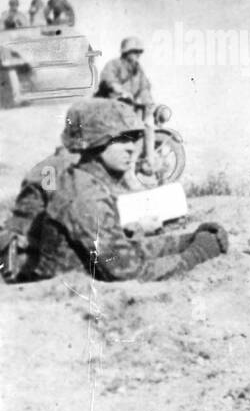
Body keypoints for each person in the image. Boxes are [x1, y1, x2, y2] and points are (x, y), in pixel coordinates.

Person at [22, 99, 227, 282]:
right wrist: (198, 253)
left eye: (132, 138)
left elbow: (126, 251)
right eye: (121, 139)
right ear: (96, 142)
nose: (131, 147)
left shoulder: (85, 182)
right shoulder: (86, 197)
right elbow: (128, 271)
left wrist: (188, 240)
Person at [0, 147, 77, 280]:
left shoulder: (52, 164)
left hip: (25, 237)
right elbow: (54, 202)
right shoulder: (55, 167)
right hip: (27, 246)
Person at [96, 36, 155, 108]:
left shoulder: (138, 69)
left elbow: (144, 87)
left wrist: (149, 102)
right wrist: (123, 92)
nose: (139, 54)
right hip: (110, 106)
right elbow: (109, 81)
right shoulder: (114, 64)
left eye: (140, 52)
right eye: (135, 52)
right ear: (126, 52)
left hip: (129, 107)